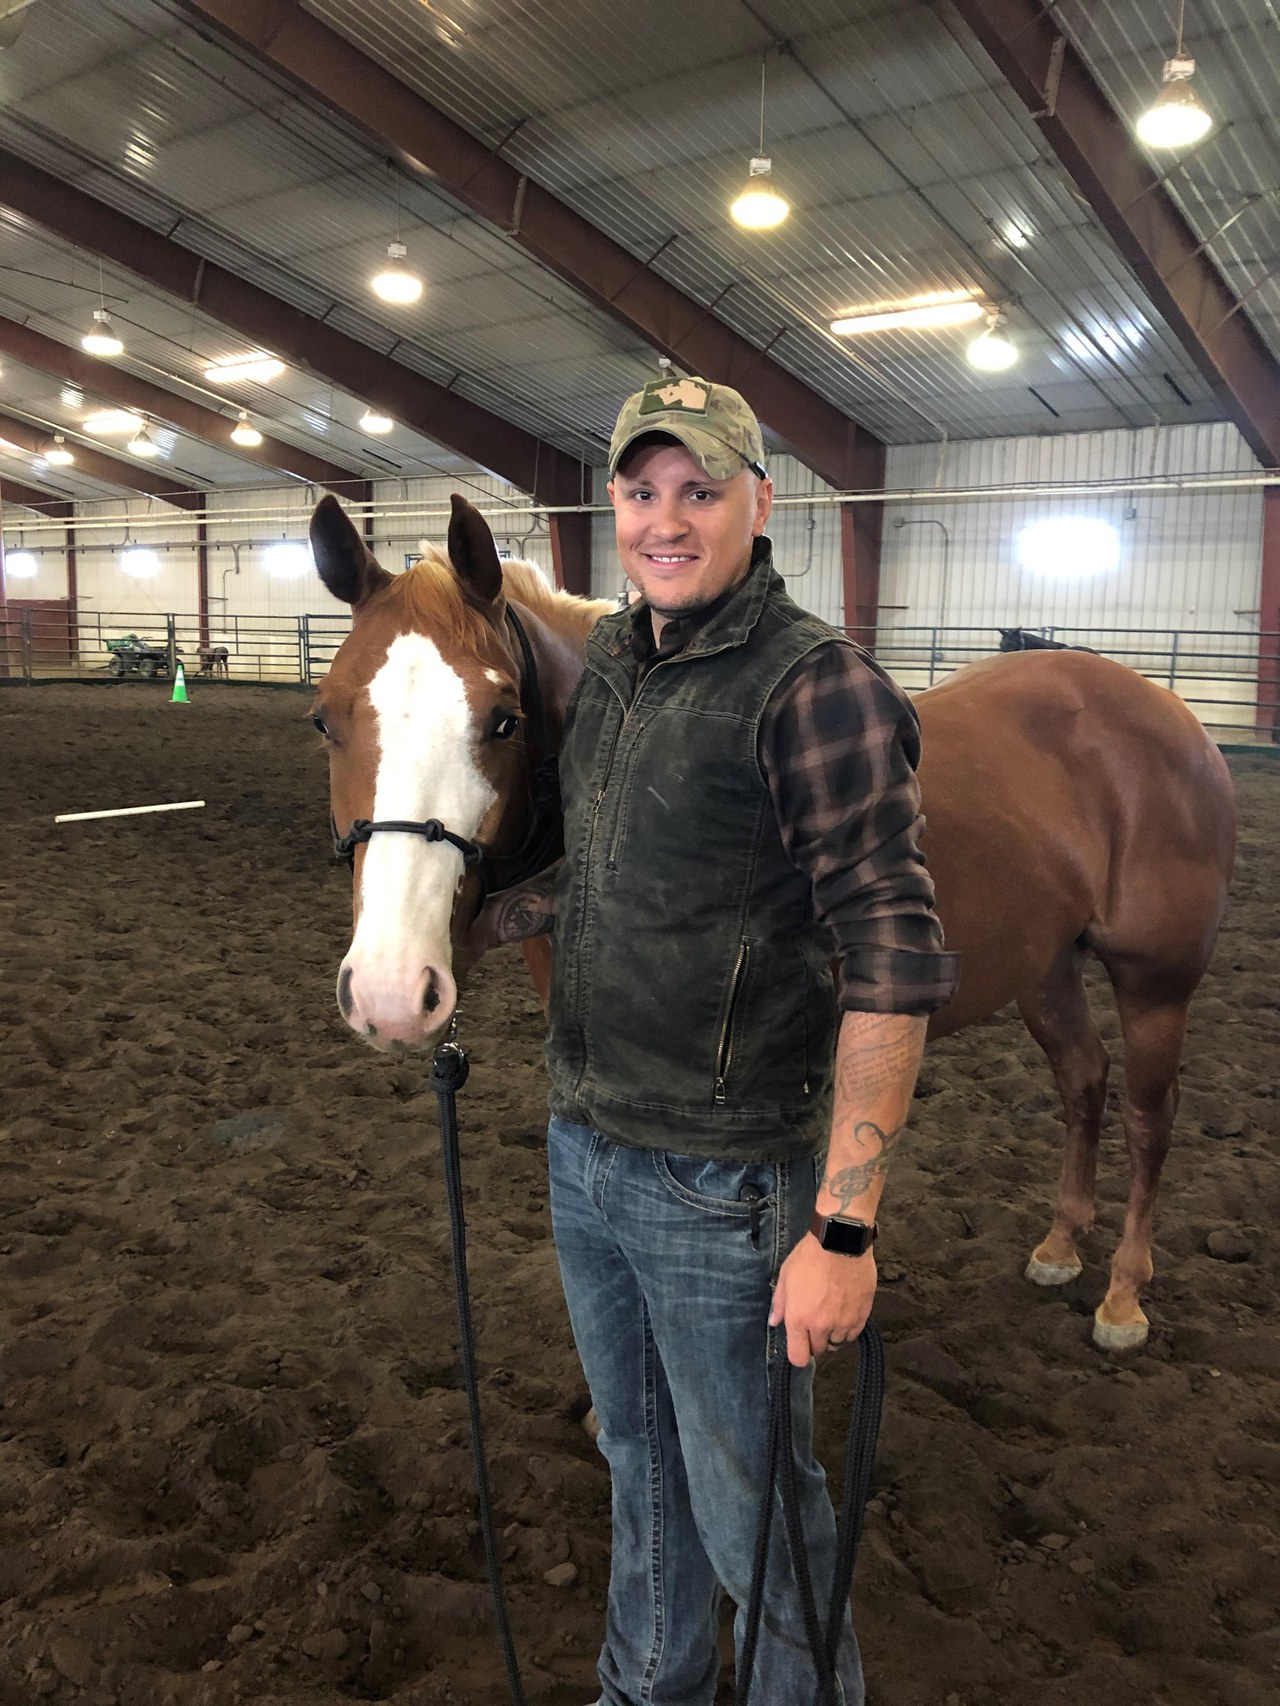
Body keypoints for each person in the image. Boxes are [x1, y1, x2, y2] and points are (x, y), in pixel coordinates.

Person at [472, 377, 960, 1706]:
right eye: (641, 491)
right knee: (639, 1458)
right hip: (586, 1146)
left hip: (725, 1183)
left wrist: (845, 1226)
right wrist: (446, 931)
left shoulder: (818, 688)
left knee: (759, 1509)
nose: (665, 520)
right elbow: (618, 877)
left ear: (762, 499)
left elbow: (894, 959)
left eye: (699, 489)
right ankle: (652, 1683)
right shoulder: (623, 664)